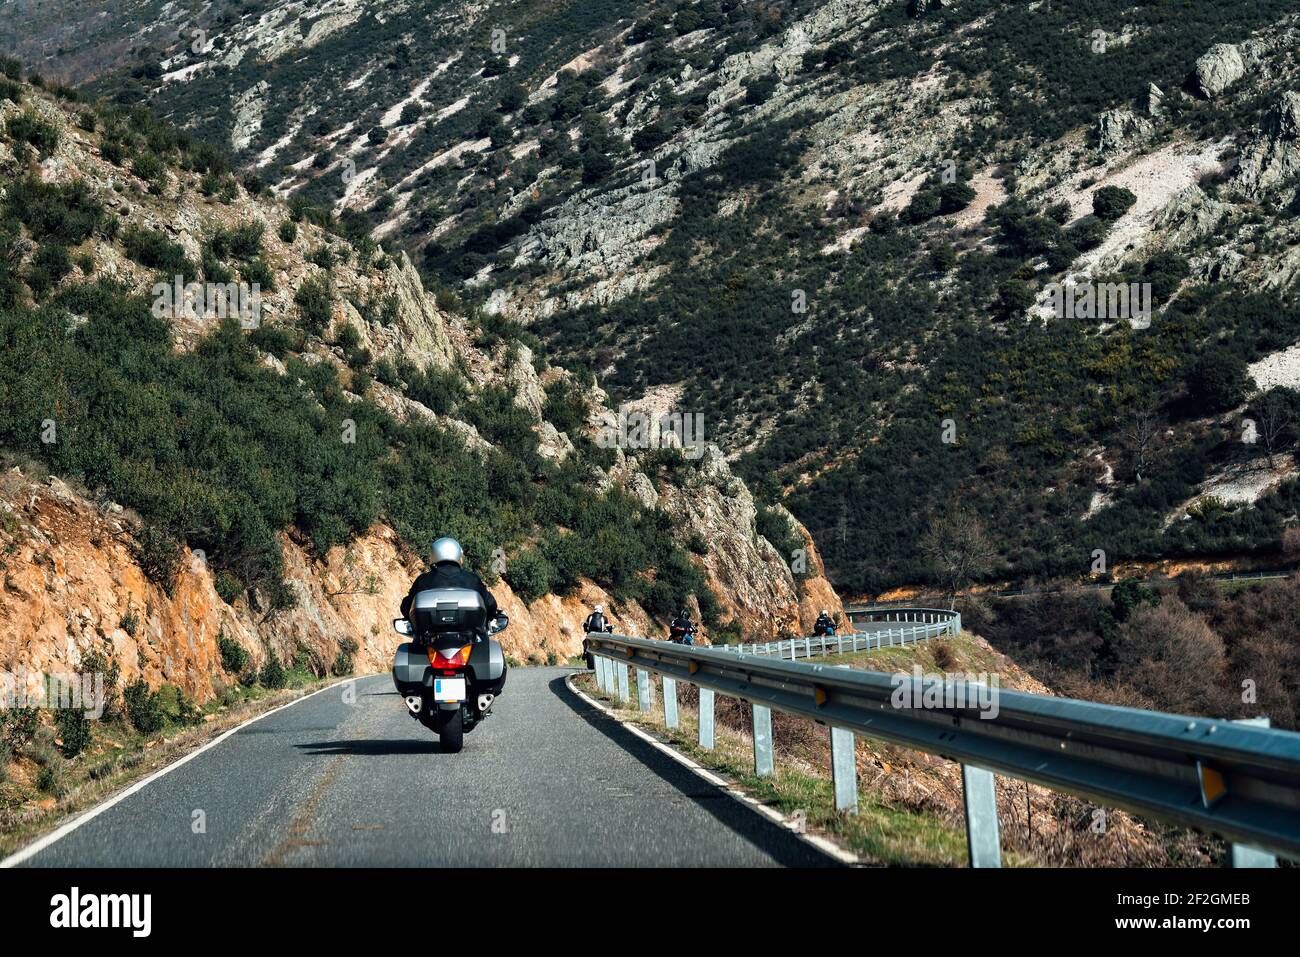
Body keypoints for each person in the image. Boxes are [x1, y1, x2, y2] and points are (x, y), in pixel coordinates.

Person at [400, 536, 499, 625]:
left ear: (434, 554)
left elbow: (406, 607)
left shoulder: (423, 580)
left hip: (429, 640)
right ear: (458, 555)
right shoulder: (472, 579)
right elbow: (491, 605)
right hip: (469, 638)